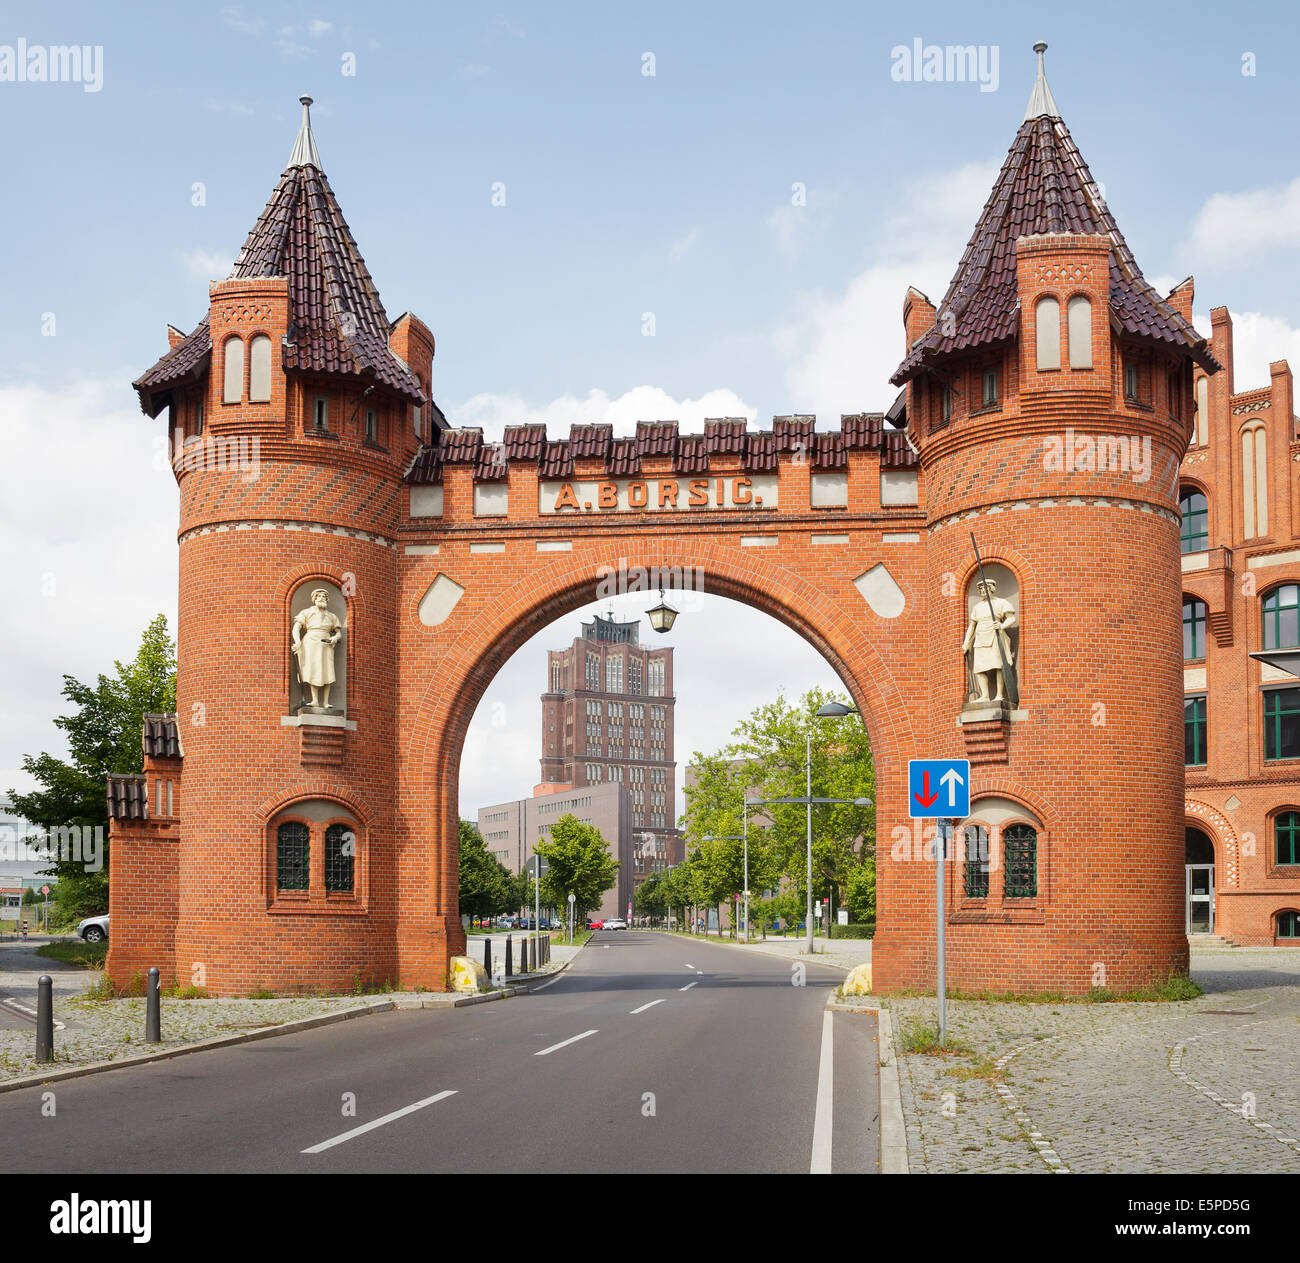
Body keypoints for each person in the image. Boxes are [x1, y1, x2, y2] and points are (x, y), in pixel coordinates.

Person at [292, 588, 343, 710]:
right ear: (314, 599)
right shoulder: (307, 612)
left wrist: (334, 639)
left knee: (327, 671)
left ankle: (325, 702)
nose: (322, 599)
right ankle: (314, 700)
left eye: (324, 597)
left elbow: (338, 633)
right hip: (311, 642)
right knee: (313, 669)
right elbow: (296, 628)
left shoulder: (332, 616)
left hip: (326, 643)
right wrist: (298, 642)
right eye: (319, 596)